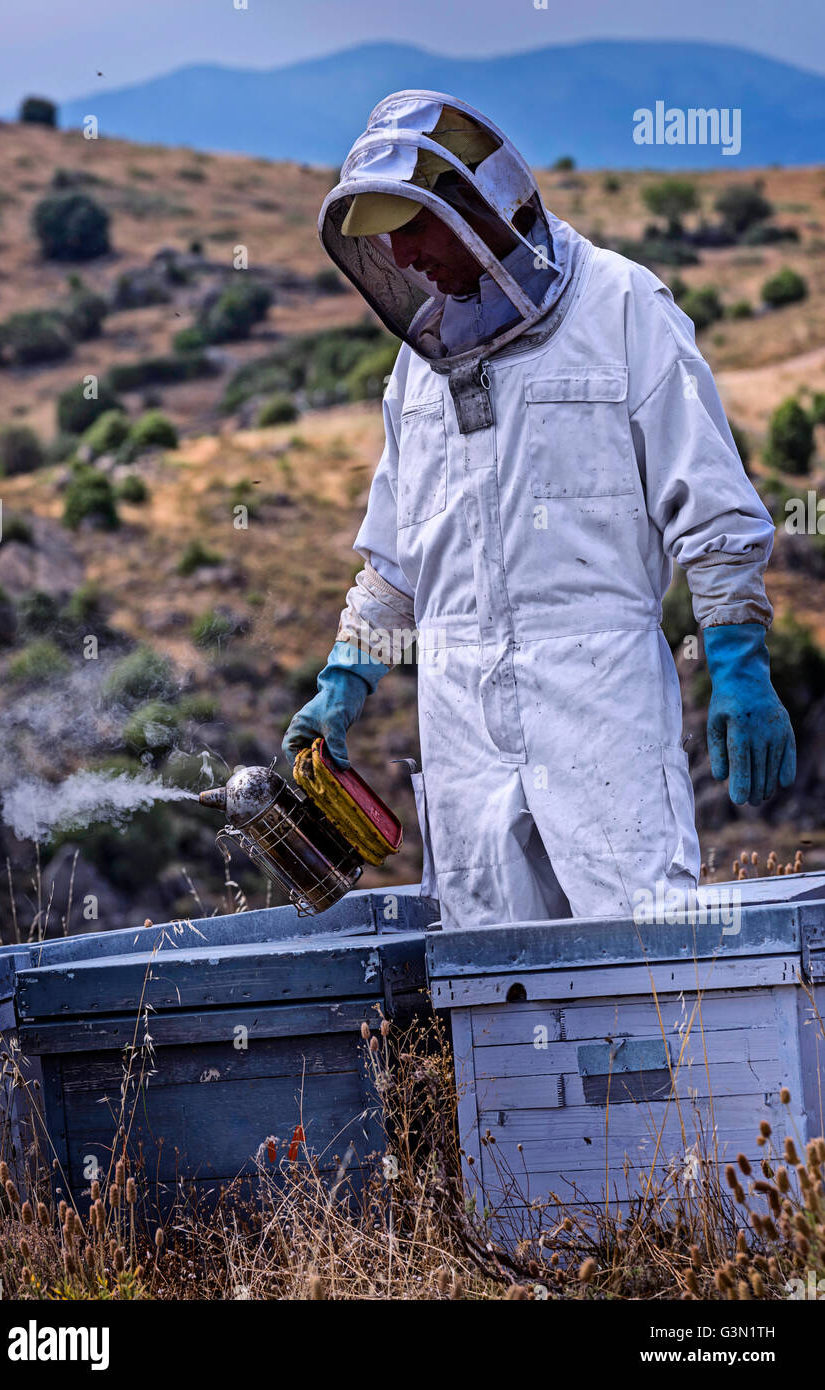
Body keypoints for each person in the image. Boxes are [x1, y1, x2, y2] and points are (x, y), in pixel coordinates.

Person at [282, 91, 795, 929]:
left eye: (415, 229)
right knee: (493, 986)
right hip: (457, 717)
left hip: (597, 697)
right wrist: (347, 679)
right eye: (387, 239)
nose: (404, 257)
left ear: (476, 210)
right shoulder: (418, 366)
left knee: (641, 949)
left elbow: (708, 506)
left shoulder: (621, 306)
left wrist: (738, 661)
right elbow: (396, 564)